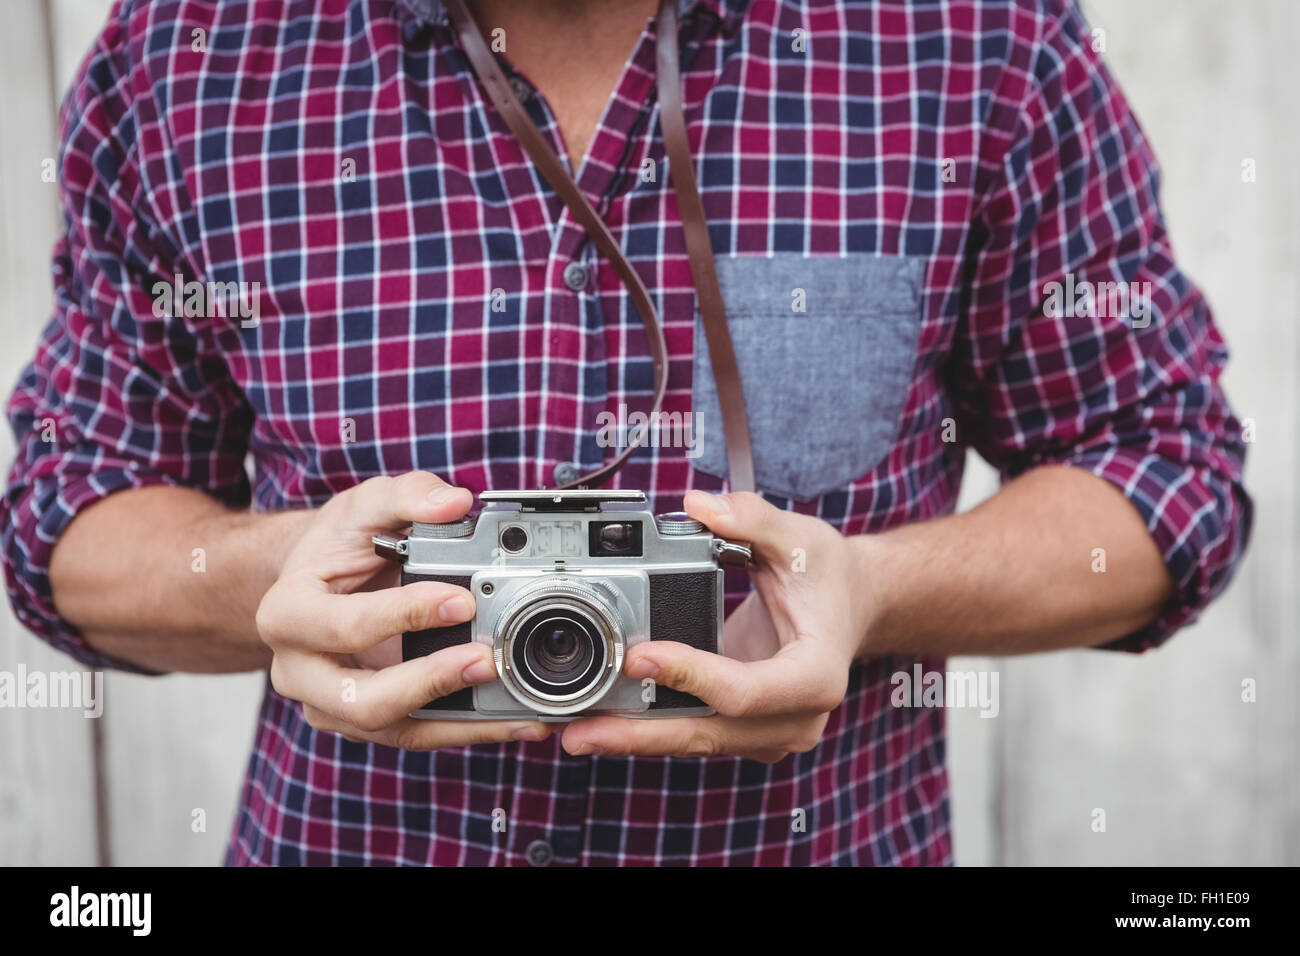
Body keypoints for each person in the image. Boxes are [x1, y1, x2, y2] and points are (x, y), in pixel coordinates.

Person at [1, 0, 1251, 866]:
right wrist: (284, 580)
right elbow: (70, 513)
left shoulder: (973, 38)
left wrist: (873, 589)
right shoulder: (188, 52)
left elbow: (1164, 466)